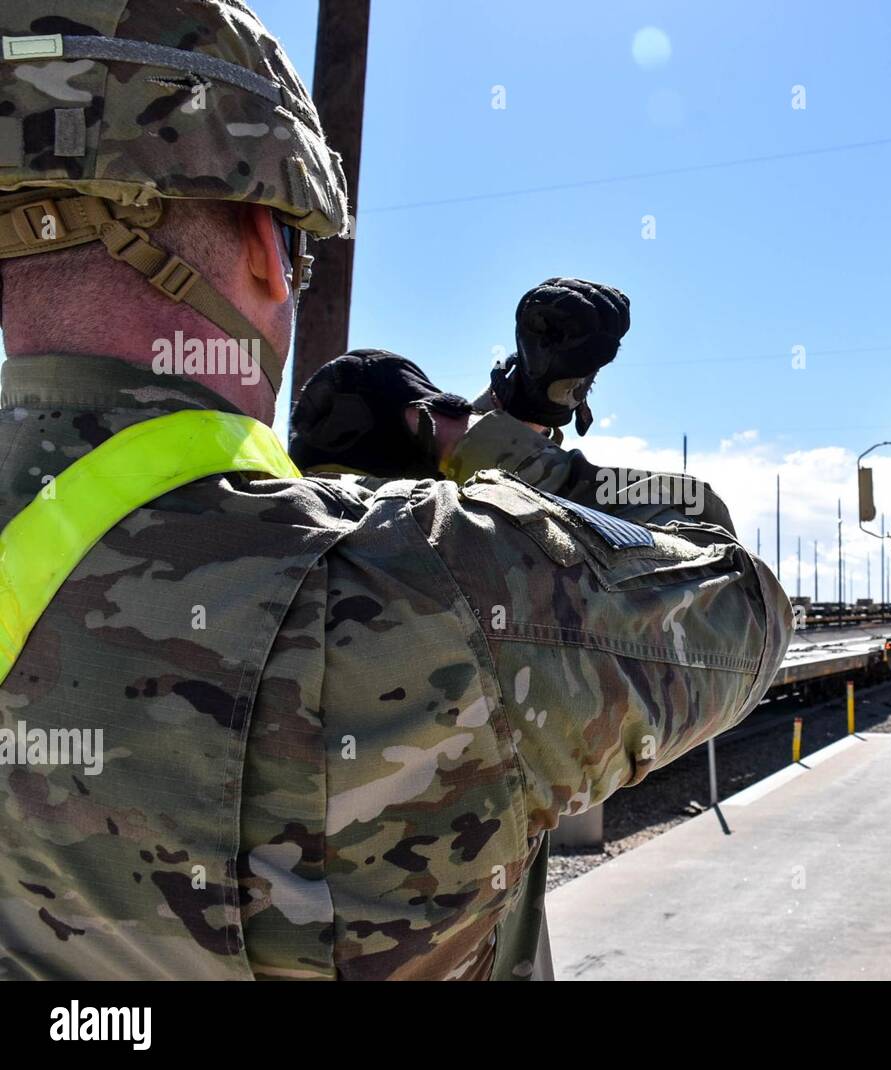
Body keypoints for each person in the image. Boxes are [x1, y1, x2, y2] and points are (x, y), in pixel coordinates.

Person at [0, 0, 790, 981]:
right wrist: (520, 438)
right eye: (301, 246)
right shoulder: (425, 583)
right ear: (261, 238)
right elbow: (738, 596)